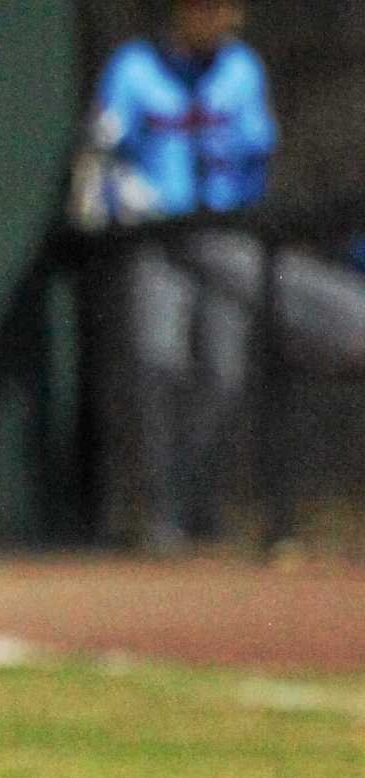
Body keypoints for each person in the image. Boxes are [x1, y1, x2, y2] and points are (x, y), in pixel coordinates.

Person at [70, 0, 365, 548]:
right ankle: (163, 516)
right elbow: (102, 154)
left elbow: (258, 155)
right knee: (160, 361)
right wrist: (122, 195)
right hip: (156, 241)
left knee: (226, 374)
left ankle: (200, 507)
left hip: (226, 238)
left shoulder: (241, 68)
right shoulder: (134, 67)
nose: (223, 19)